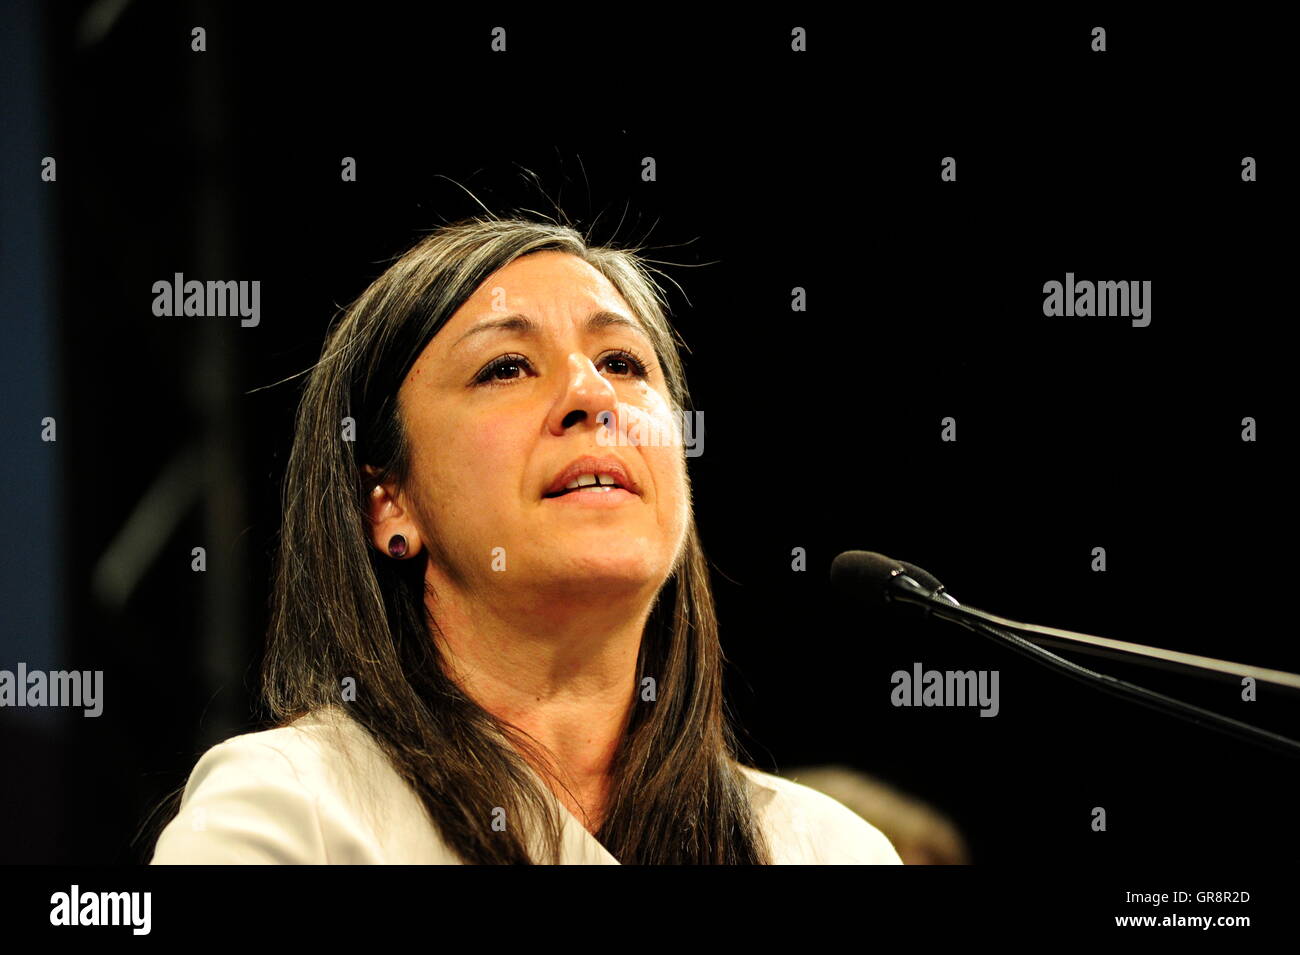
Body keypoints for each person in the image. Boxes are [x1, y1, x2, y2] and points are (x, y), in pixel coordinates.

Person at [148, 215, 903, 864]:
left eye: (622, 362)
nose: (591, 395)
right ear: (388, 503)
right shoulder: (291, 812)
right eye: (507, 367)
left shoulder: (827, 847)